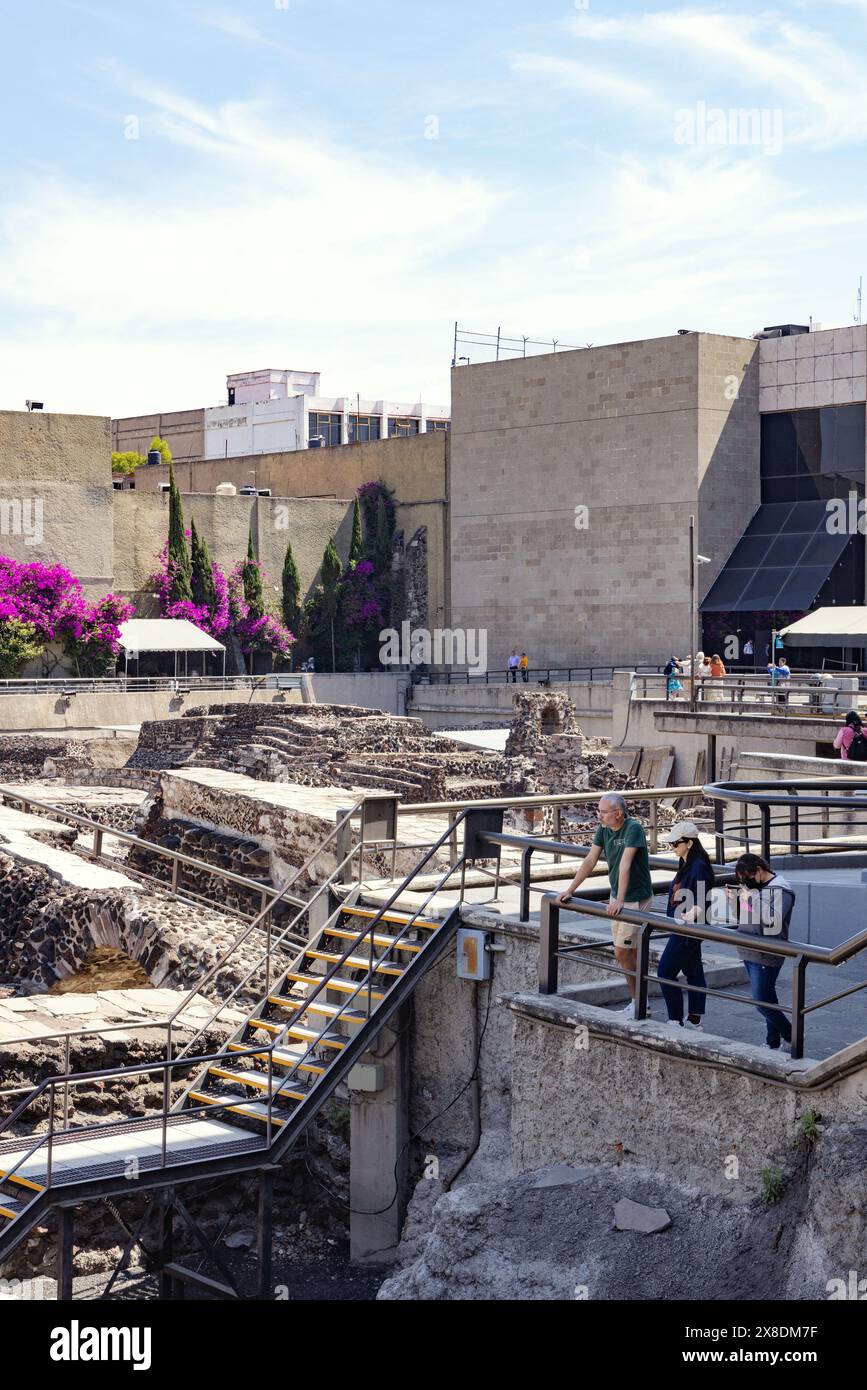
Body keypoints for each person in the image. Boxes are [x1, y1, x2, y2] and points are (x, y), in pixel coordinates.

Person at [555, 794, 653, 1019]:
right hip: (616, 896)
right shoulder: (603, 830)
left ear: (618, 813)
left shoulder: (633, 829)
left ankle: (638, 1001)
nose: (599, 815)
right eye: (599, 811)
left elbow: (626, 864)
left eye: (604, 812)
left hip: (634, 897)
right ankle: (640, 1001)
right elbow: (590, 860)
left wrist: (619, 898)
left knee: (622, 952)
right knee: (630, 952)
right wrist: (571, 890)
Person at [727, 854, 795, 1050]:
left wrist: (752, 897)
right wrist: (735, 902)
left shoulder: (781, 889)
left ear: (759, 870)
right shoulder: (755, 889)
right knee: (768, 998)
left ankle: (791, 1033)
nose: (746, 883)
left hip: (766, 952)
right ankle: (772, 1042)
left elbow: (772, 919)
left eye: (748, 877)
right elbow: (745, 917)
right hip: (749, 950)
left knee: (761, 1001)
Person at [657, 821, 714, 1030]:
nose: (672, 847)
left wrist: (691, 915)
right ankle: (694, 1020)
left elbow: (703, 897)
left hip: (688, 928)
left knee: (665, 971)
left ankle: (676, 1019)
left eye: (675, 843)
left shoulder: (698, 866)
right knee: (693, 971)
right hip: (685, 926)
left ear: (689, 843)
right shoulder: (687, 862)